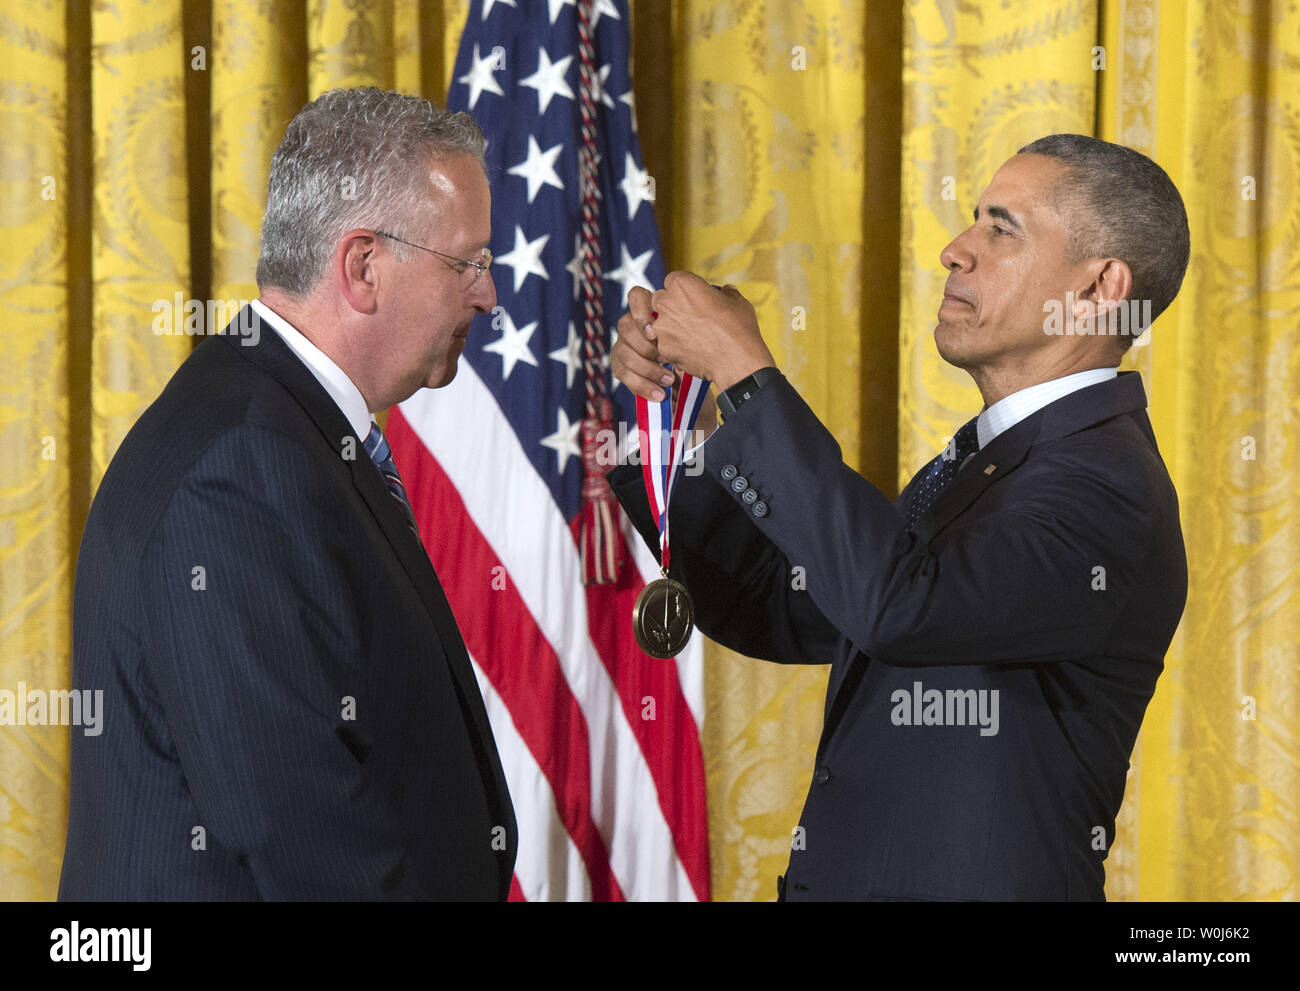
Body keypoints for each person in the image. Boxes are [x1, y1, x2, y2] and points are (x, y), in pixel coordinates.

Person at [608, 134, 1190, 901]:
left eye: (1001, 228)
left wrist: (747, 376)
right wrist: (680, 426)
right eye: (973, 221)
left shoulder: (1106, 484)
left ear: (1100, 286)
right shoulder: (993, 459)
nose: (955, 250)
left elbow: (900, 605)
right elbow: (790, 605)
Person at [59, 88, 516, 900]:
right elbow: (308, 844)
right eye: (468, 263)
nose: (488, 294)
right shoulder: (239, 466)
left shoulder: (278, 425)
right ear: (364, 266)